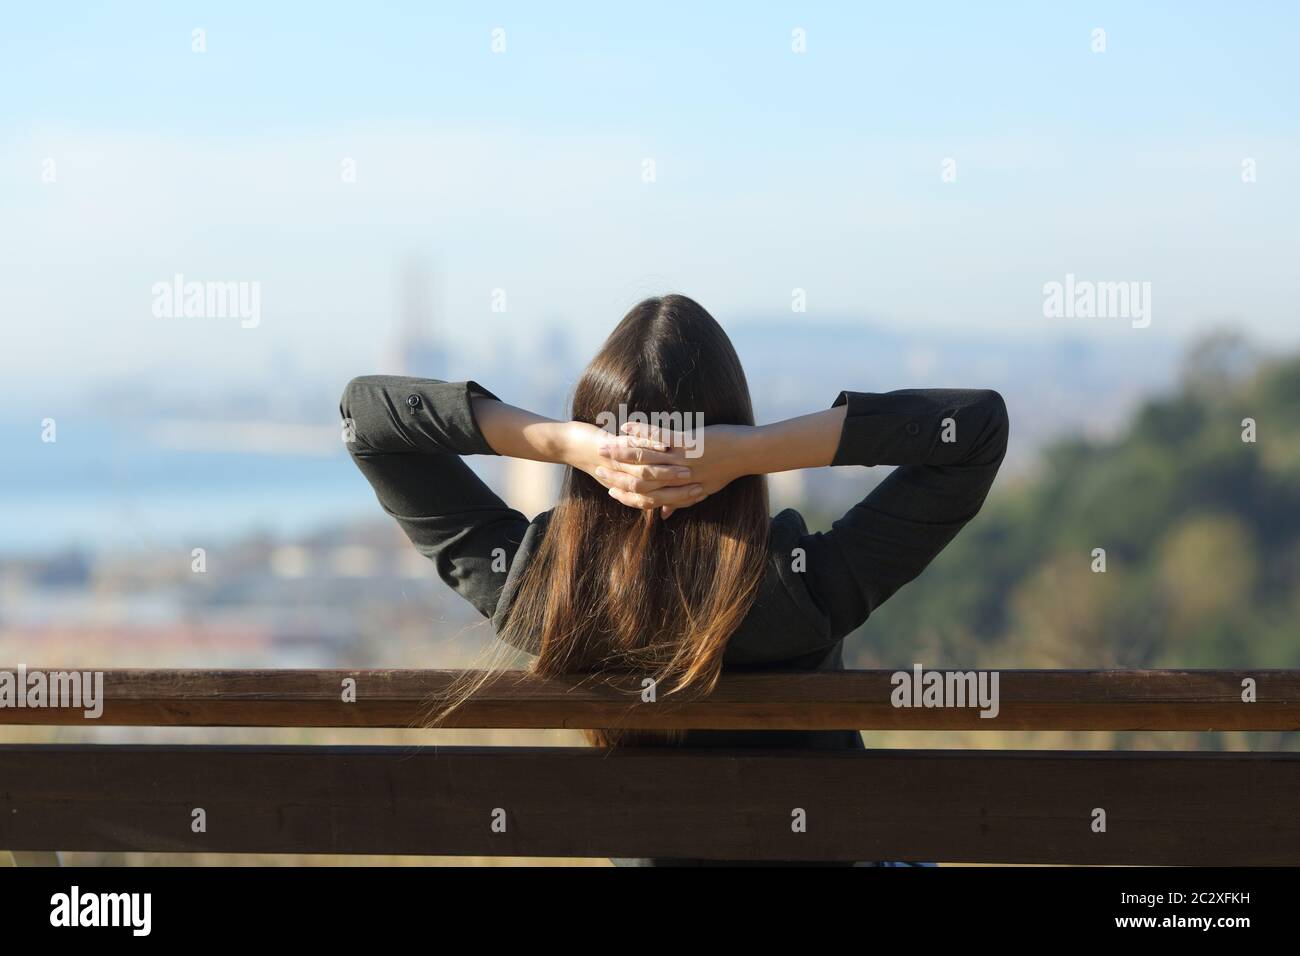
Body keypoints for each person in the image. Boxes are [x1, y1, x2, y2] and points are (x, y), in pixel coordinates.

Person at [340, 293, 1009, 865]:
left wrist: (567, 444)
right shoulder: (802, 589)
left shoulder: (541, 597)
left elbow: (367, 418)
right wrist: (749, 450)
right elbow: (974, 431)